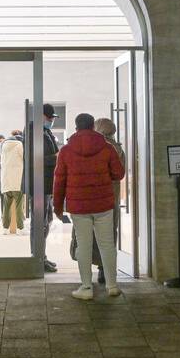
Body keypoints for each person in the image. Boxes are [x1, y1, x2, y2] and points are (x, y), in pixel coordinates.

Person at [53, 113, 125, 300]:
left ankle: (86, 288)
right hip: (103, 204)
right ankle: (112, 285)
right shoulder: (107, 148)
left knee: (83, 246)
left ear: (76, 127)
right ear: (93, 127)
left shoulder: (66, 150)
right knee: (107, 244)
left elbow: (59, 180)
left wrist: (58, 206)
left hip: (79, 206)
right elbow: (119, 174)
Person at [39, 103, 61, 272]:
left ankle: (42, 257)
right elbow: (38, 159)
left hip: (47, 184)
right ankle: (39, 259)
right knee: (41, 223)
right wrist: (57, 156)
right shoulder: (35, 133)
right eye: (50, 118)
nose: (52, 120)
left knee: (48, 221)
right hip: (41, 184)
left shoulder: (46, 132)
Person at [0, 130, 25, 234]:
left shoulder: (3, 145)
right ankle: (20, 228)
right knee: (19, 205)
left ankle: (5, 228)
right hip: (17, 180)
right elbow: (24, 158)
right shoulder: (19, 145)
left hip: (6, 179)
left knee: (6, 206)